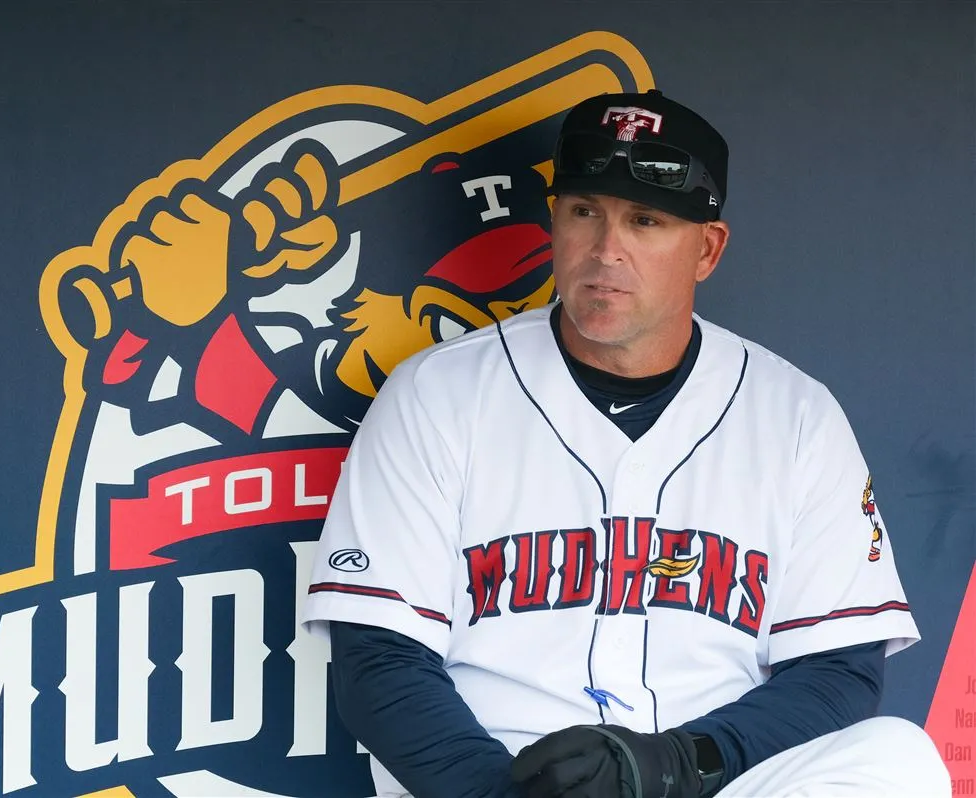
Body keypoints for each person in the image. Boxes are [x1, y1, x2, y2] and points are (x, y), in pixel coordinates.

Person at [300, 89, 951, 798]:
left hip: (703, 781)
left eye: (645, 221)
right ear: (555, 221)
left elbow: (838, 669)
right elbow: (380, 659)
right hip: (494, 778)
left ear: (707, 249)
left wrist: (678, 764)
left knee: (900, 757)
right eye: (585, 212)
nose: (606, 251)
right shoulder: (437, 393)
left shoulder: (795, 415)